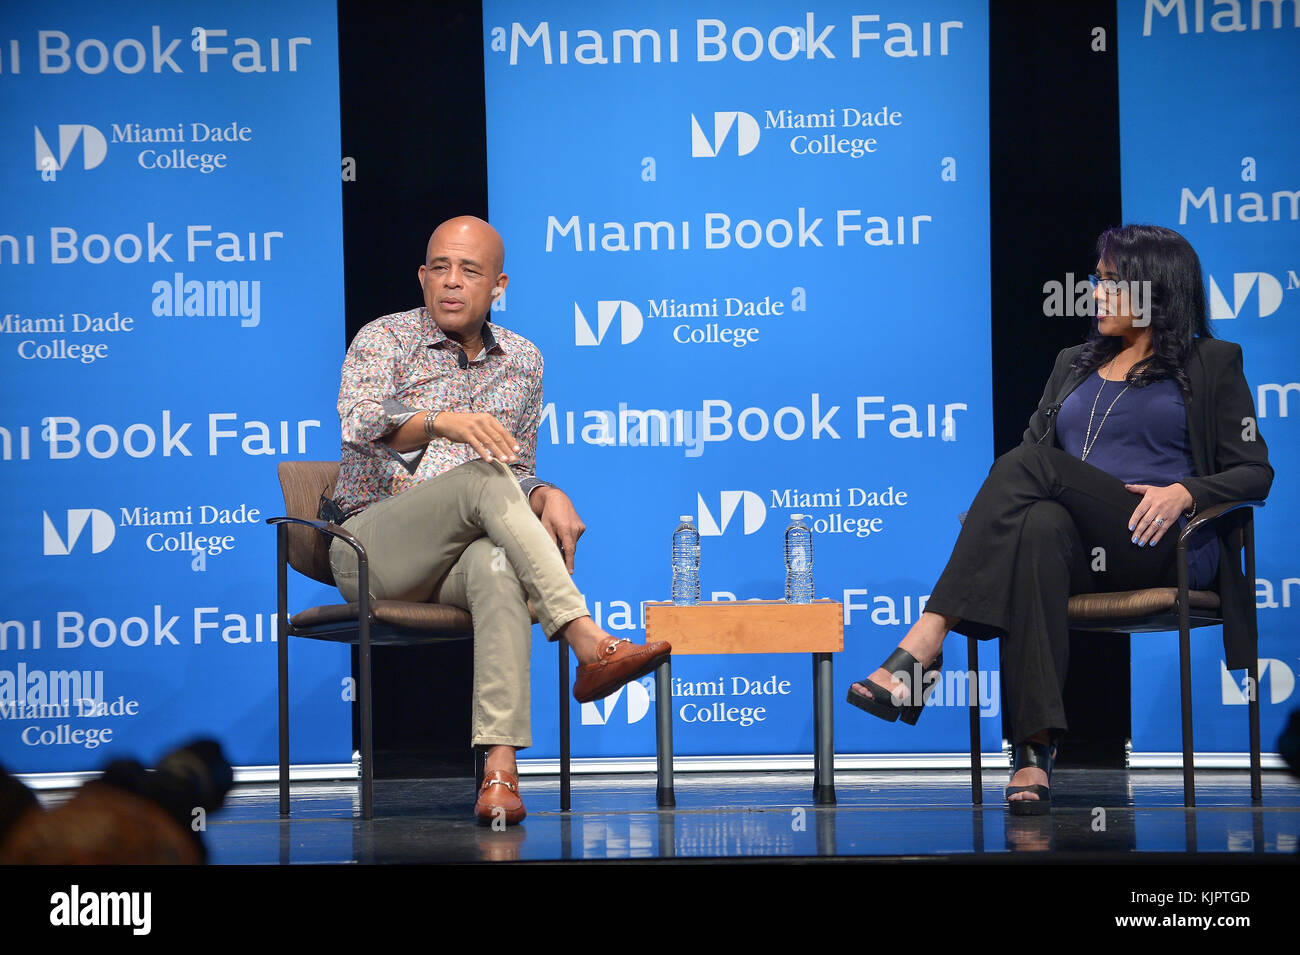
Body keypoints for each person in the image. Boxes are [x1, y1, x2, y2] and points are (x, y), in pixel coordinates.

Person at [846, 224, 1273, 814]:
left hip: (1159, 541)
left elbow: (1256, 472)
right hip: (1076, 550)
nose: (1094, 293)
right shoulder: (1072, 363)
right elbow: (1033, 463)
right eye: (1096, 281)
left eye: (1111, 282)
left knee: (1030, 466)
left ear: (1157, 289)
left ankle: (926, 641)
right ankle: (1032, 754)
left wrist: (1185, 492)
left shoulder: (1211, 364)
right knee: (1041, 525)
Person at [328, 215, 670, 825]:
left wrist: (546, 491)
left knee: (498, 564)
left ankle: (500, 775)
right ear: (421, 276)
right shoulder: (385, 338)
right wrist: (440, 420)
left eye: (469, 271)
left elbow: (518, 472)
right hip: (371, 548)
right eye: (439, 268)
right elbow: (358, 420)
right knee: (484, 478)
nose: (451, 282)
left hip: (457, 558)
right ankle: (586, 638)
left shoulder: (524, 361)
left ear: (498, 286)